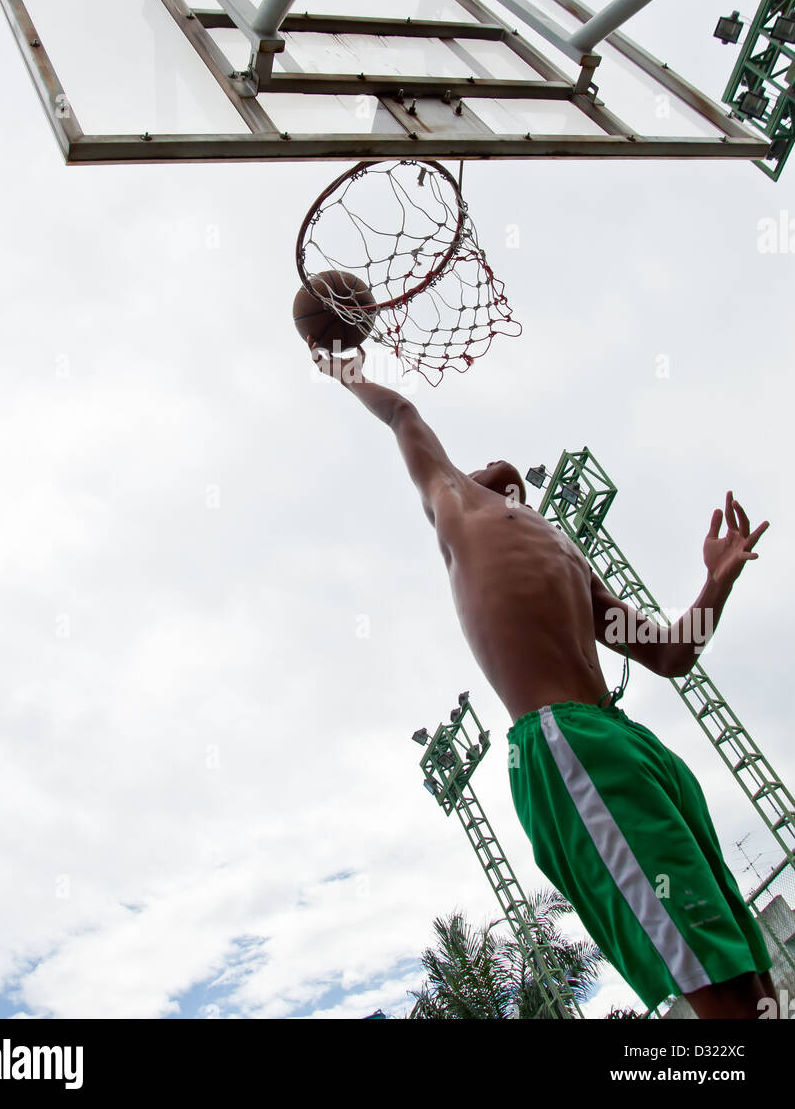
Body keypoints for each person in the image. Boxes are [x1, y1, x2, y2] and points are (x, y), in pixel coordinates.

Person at [308, 338, 775, 1019]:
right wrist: (339, 362)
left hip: (623, 739)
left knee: (743, 967)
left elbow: (672, 655)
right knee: (708, 978)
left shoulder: (566, 553)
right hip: (563, 743)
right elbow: (403, 414)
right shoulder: (456, 505)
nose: (494, 463)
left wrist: (714, 585)